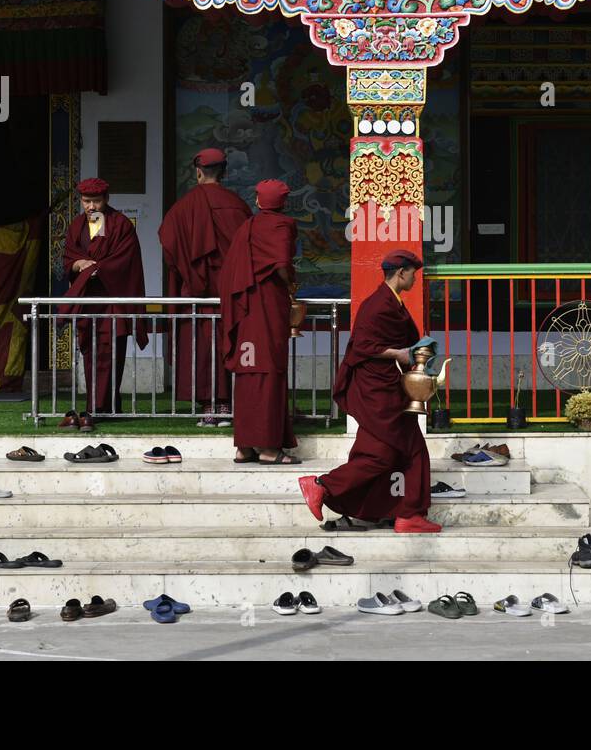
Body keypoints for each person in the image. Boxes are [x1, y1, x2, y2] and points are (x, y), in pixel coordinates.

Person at [298, 249, 440, 533]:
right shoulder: (378, 305)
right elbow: (363, 347)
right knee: (398, 452)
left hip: (386, 387)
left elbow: (406, 339)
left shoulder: (392, 302)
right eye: (413, 273)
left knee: (386, 454)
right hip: (378, 392)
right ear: (401, 273)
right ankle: (322, 485)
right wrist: (399, 354)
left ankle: (391, 511)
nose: (415, 278)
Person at [158, 148, 252, 427]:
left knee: (201, 347)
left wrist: (189, 271)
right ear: (223, 172)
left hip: (197, 295)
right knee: (229, 344)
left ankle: (209, 408)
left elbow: (169, 246)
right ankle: (227, 405)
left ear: (198, 171)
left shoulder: (183, 207)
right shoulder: (238, 206)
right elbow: (249, 249)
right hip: (231, 294)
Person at [218, 178, 299, 464]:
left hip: (245, 311)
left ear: (258, 201)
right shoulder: (282, 225)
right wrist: (291, 285)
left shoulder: (247, 227)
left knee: (247, 374)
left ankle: (244, 447)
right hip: (267, 310)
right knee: (269, 373)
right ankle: (268, 449)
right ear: (284, 202)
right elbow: (280, 265)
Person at [61, 177, 149, 425]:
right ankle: (95, 406)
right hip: (87, 301)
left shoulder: (121, 224)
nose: (91, 207)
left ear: (107, 200)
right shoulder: (77, 225)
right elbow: (70, 256)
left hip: (111, 300)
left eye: (96, 201)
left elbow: (125, 260)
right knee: (90, 352)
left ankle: (105, 407)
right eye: (86, 201)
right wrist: (79, 264)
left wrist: (96, 268)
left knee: (111, 353)